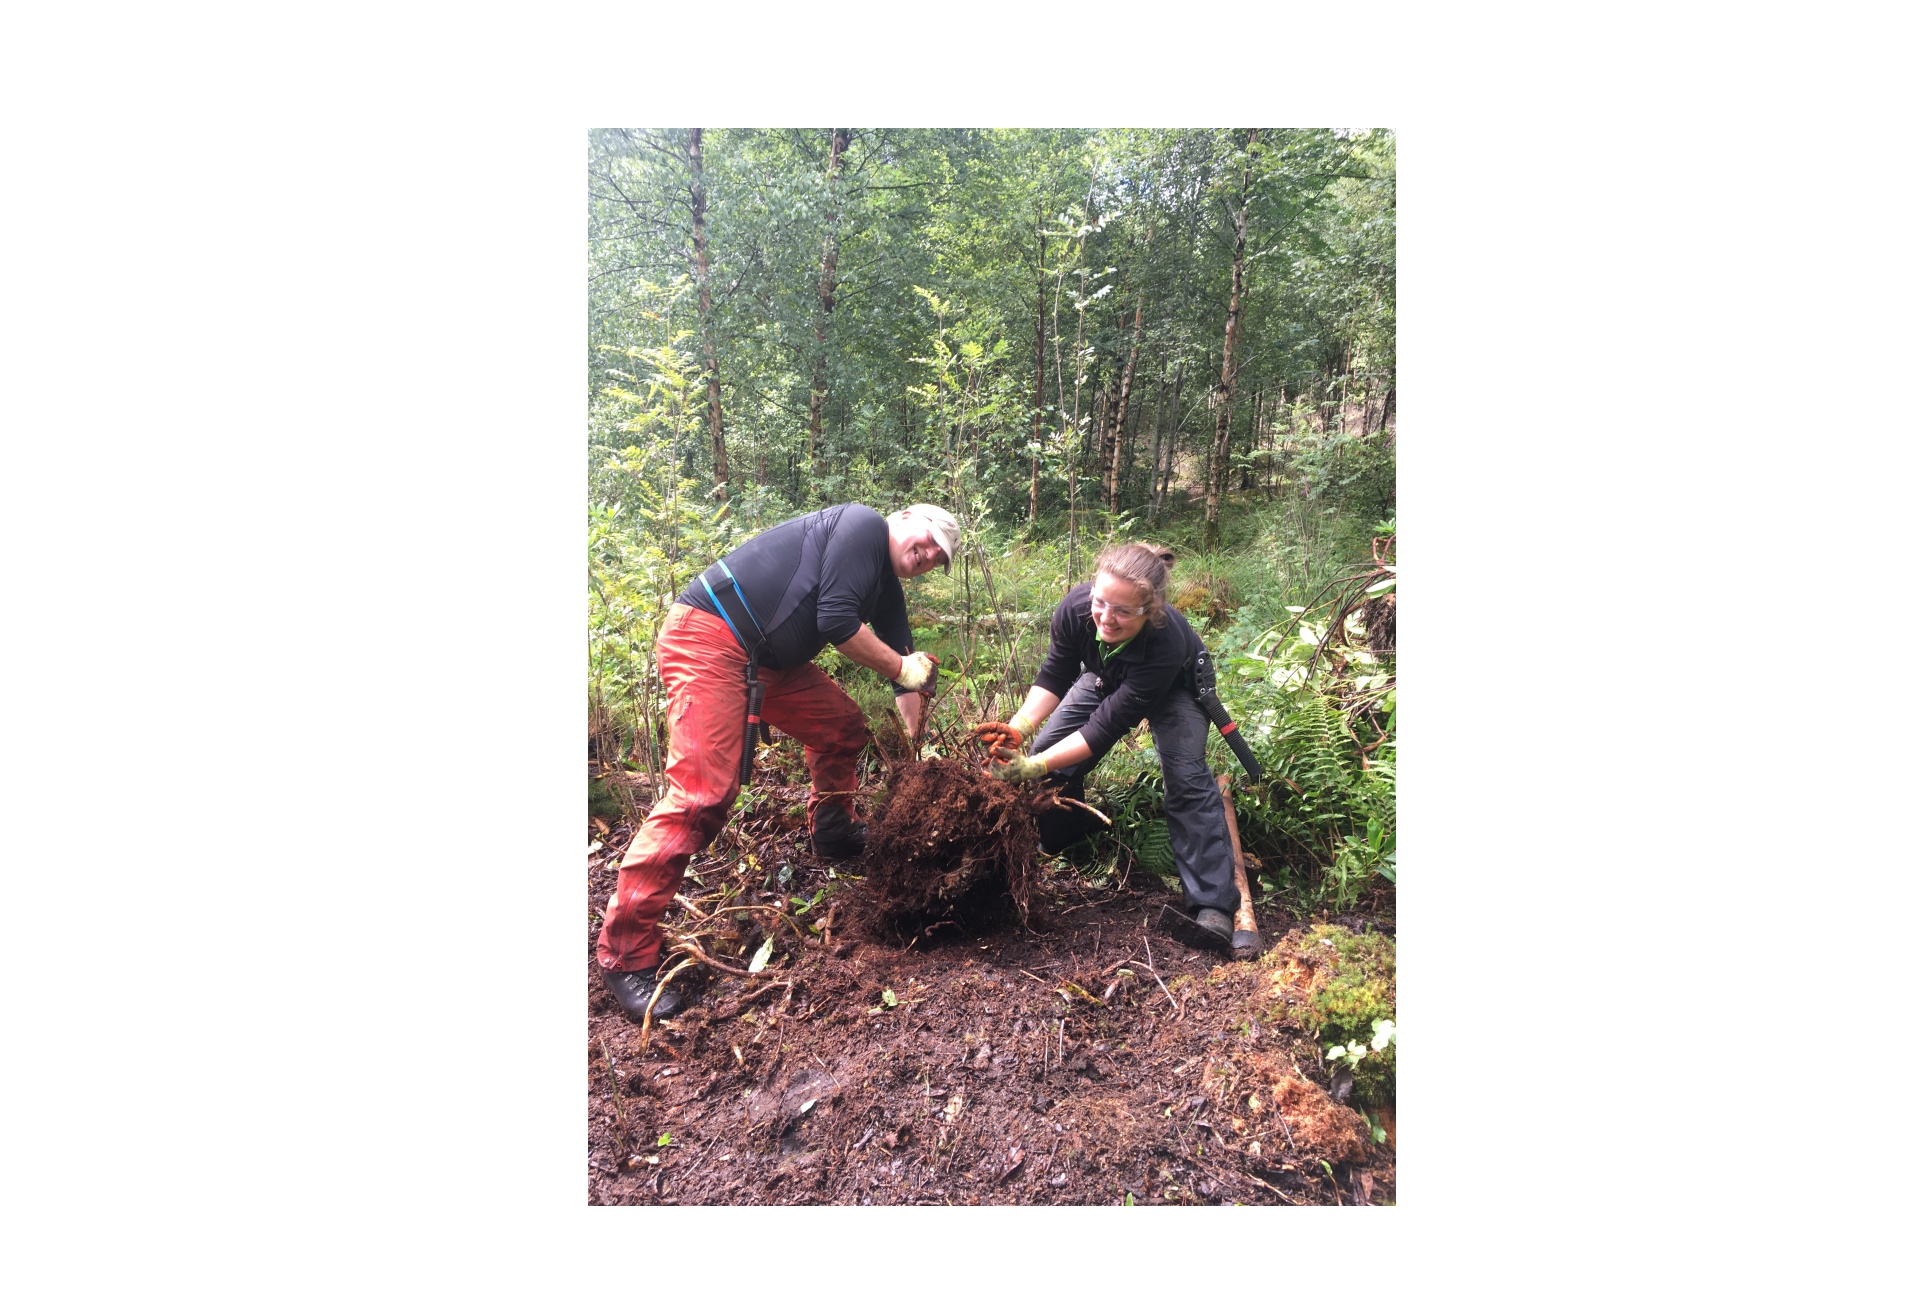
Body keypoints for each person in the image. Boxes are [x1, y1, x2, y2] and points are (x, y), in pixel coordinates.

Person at [597, 502, 959, 1022]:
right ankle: (624, 954)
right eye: (923, 543)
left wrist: (915, 747)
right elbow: (837, 620)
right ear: (901, 519)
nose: (923, 557)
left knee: (842, 727)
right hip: (709, 637)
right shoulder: (861, 525)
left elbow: (909, 672)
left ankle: (833, 830)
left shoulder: (885, 587)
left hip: (763, 660)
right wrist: (903, 666)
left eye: (933, 560)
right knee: (702, 795)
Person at [973, 543, 1241, 952]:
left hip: (1175, 687)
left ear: (1149, 611)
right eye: (1100, 603)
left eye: (1122, 611)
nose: (1105, 618)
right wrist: (1019, 728)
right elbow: (1054, 675)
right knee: (1051, 761)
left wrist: (1034, 765)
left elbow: (1102, 729)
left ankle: (1213, 905)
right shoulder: (1077, 607)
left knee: (1185, 777)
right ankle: (1067, 836)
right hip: (1109, 674)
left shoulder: (1163, 639)